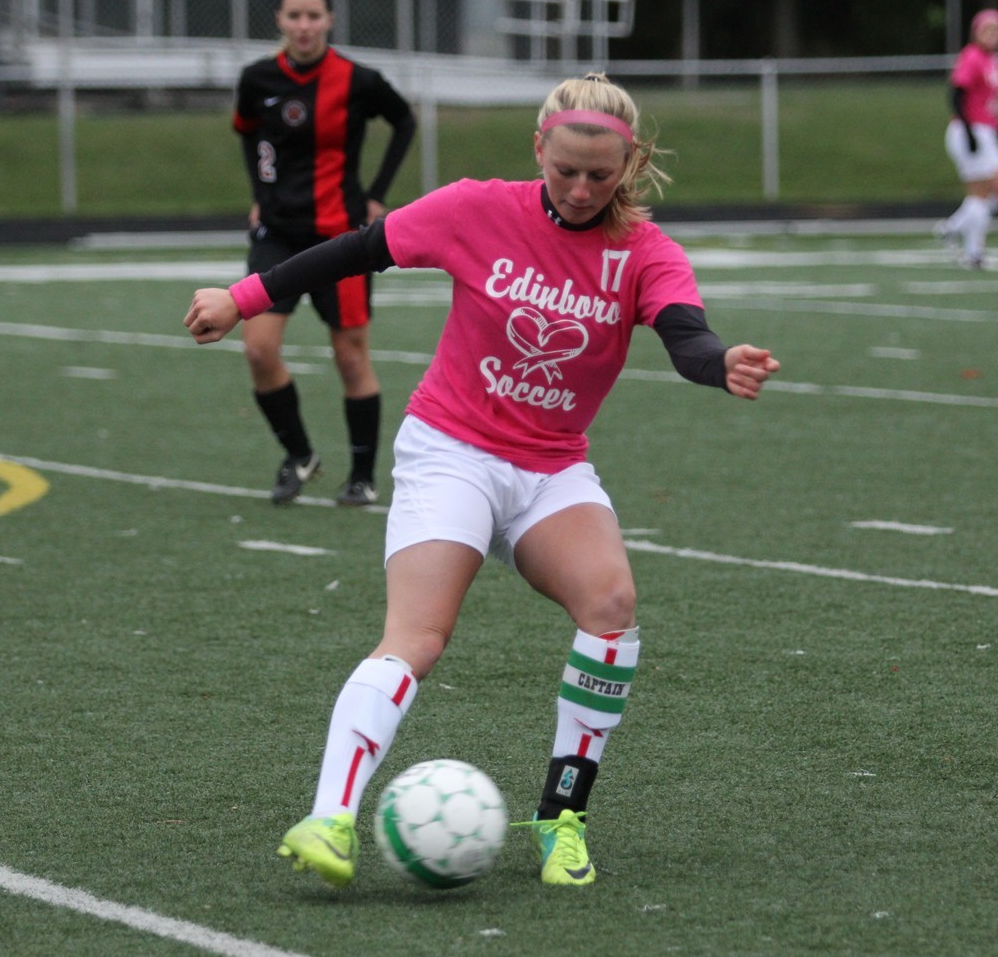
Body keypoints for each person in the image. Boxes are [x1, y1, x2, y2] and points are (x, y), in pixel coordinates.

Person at [184, 72, 780, 886]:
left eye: (600, 175)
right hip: (451, 452)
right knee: (418, 637)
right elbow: (359, 249)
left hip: (551, 467)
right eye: (565, 170)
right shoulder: (475, 208)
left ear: (630, 165)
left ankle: (561, 818)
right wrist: (244, 296)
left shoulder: (646, 252)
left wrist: (722, 362)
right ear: (538, 149)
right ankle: (329, 817)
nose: (580, 190)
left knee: (611, 607)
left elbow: (686, 336)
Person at [232, 0, 416, 506]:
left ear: (330, 20)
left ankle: (362, 476)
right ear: (279, 20)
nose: (304, 25)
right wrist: (259, 194)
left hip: (342, 240)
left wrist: (376, 196)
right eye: (294, 15)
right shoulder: (256, 78)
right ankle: (299, 455)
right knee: (258, 349)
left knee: (351, 358)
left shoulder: (358, 79)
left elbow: (404, 121)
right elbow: (248, 133)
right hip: (276, 235)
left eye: (314, 15)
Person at [934, 8, 998, 271]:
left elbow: (989, 102)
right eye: (988, 30)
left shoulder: (993, 60)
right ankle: (974, 252)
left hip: (986, 130)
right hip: (970, 130)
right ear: (976, 32)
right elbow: (957, 95)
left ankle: (953, 228)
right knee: (984, 192)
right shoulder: (972, 56)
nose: (994, 35)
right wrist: (968, 130)